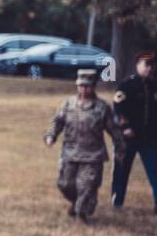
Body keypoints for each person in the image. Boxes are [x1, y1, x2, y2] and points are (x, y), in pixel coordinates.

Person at [45, 69, 123, 222]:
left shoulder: (102, 107)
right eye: (81, 86)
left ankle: (82, 211)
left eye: (87, 86)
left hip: (93, 155)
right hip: (70, 152)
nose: (84, 89)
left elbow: (114, 129)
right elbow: (57, 121)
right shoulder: (68, 104)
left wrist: (120, 146)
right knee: (64, 184)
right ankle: (78, 202)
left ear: (93, 87)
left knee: (86, 185)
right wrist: (51, 136)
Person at [110, 50, 157, 213]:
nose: (150, 68)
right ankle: (117, 202)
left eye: (152, 65)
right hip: (128, 138)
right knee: (121, 171)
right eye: (147, 65)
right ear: (138, 65)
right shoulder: (127, 86)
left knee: (155, 171)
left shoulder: (155, 87)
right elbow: (118, 109)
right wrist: (125, 127)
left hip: (150, 138)